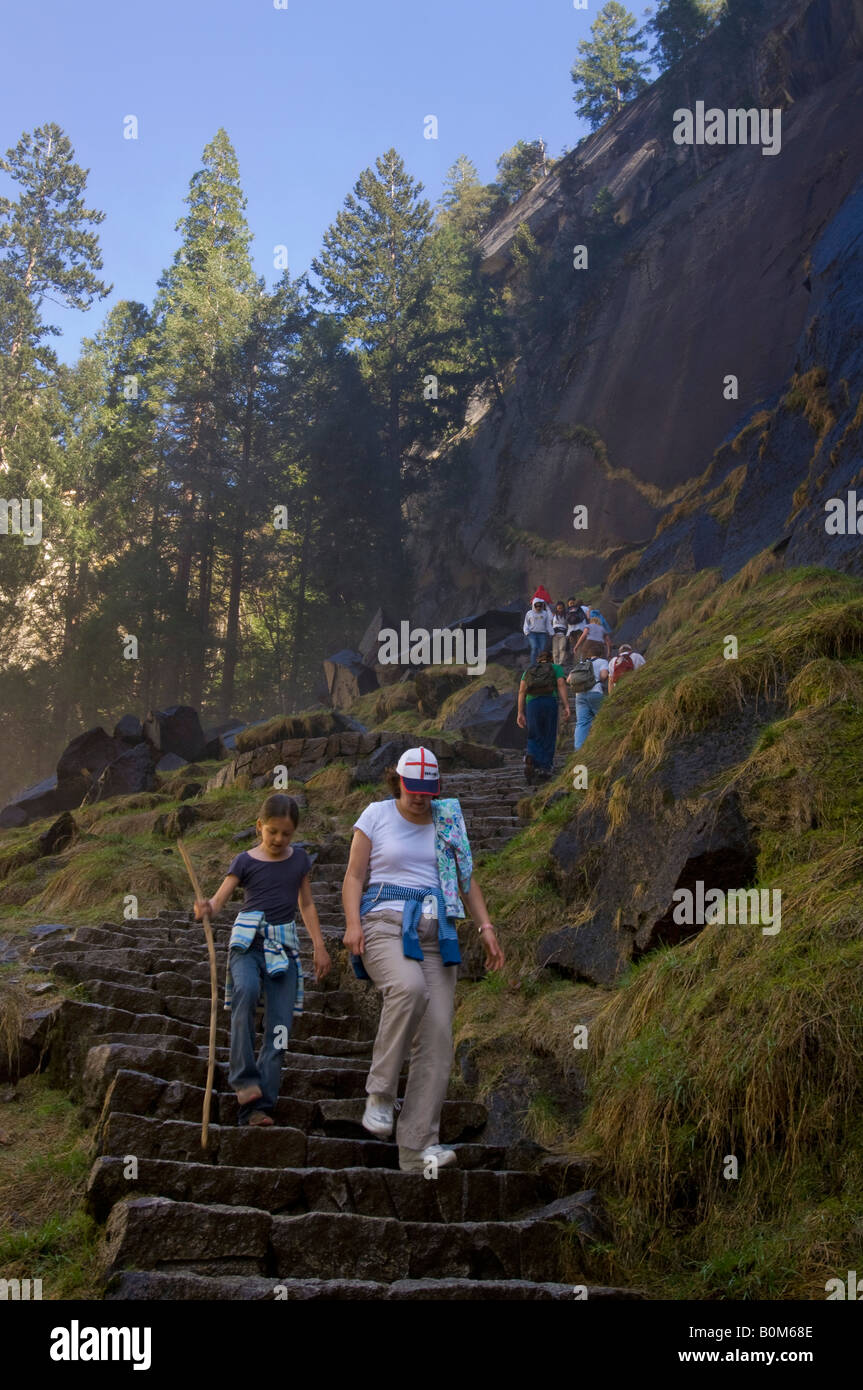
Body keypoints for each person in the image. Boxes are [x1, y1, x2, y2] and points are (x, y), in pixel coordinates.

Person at [342, 747, 504, 1173]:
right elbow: (354, 876)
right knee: (408, 988)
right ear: (397, 780)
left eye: (427, 791)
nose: (419, 798)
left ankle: (417, 1149)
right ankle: (379, 1094)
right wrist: (352, 924)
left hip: (437, 932)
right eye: (412, 789)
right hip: (383, 922)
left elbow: (466, 878)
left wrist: (486, 928)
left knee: (437, 1036)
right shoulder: (375, 815)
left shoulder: (447, 819)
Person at [194, 793, 331, 1127]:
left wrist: (319, 945)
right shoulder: (244, 861)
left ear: (294, 833)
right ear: (259, 827)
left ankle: (259, 1107)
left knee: (280, 1027)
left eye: (286, 834)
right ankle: (243, 1080)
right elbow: (220, 899)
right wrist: (207, 908)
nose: (278, 839)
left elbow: (307, 905)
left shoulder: (299, 860)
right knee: (246, 991)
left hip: (283, 949)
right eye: (272, 832)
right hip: (247, 944)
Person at [517, 648, 570, 782]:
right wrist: (566, 705)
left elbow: (521, 691)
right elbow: (561, 685)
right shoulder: (556, 668)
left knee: (534, 733)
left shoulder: (529, 670)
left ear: (538, 659)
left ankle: (532, 758)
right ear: (551, 659)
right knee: (548, 733)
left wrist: (520, 712)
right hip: (549, 701)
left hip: (532, 703)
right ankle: (545, 767)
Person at [570, 640, 609, 750]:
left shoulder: (581, 663)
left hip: (580, 695)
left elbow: (569, 679)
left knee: (581, 723)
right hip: (595, 692)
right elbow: (604, 676)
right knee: (603, 718)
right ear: (600, 653)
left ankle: (578, 750)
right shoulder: (602, 662)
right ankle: (604, 745)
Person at [523, 592, 553, 663]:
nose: (538, 607)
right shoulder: (529, 613)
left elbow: (548, 624)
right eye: (537, 606)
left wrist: (552, 632)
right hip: (532, 633)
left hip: (542, 633)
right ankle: (533, 664)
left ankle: (540, 664)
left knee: (542, 650)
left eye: (540, 606)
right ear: (534, 605)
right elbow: (526, 624)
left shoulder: (545, 613)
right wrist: (526, 632)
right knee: (534, 647)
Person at [551, 601, 569, 666]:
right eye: (558, 608)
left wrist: (567, 635)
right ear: (556, 608)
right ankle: (556, 664)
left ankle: (561, 662)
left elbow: (569, 626)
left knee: (562, 648)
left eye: (561, 608)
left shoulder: (566, 616)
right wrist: (551, 633)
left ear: (563, 608)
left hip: (563, 634)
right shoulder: (553, 615)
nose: (560, 609)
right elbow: (550, 625)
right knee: (555, 650)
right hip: (555, 634)